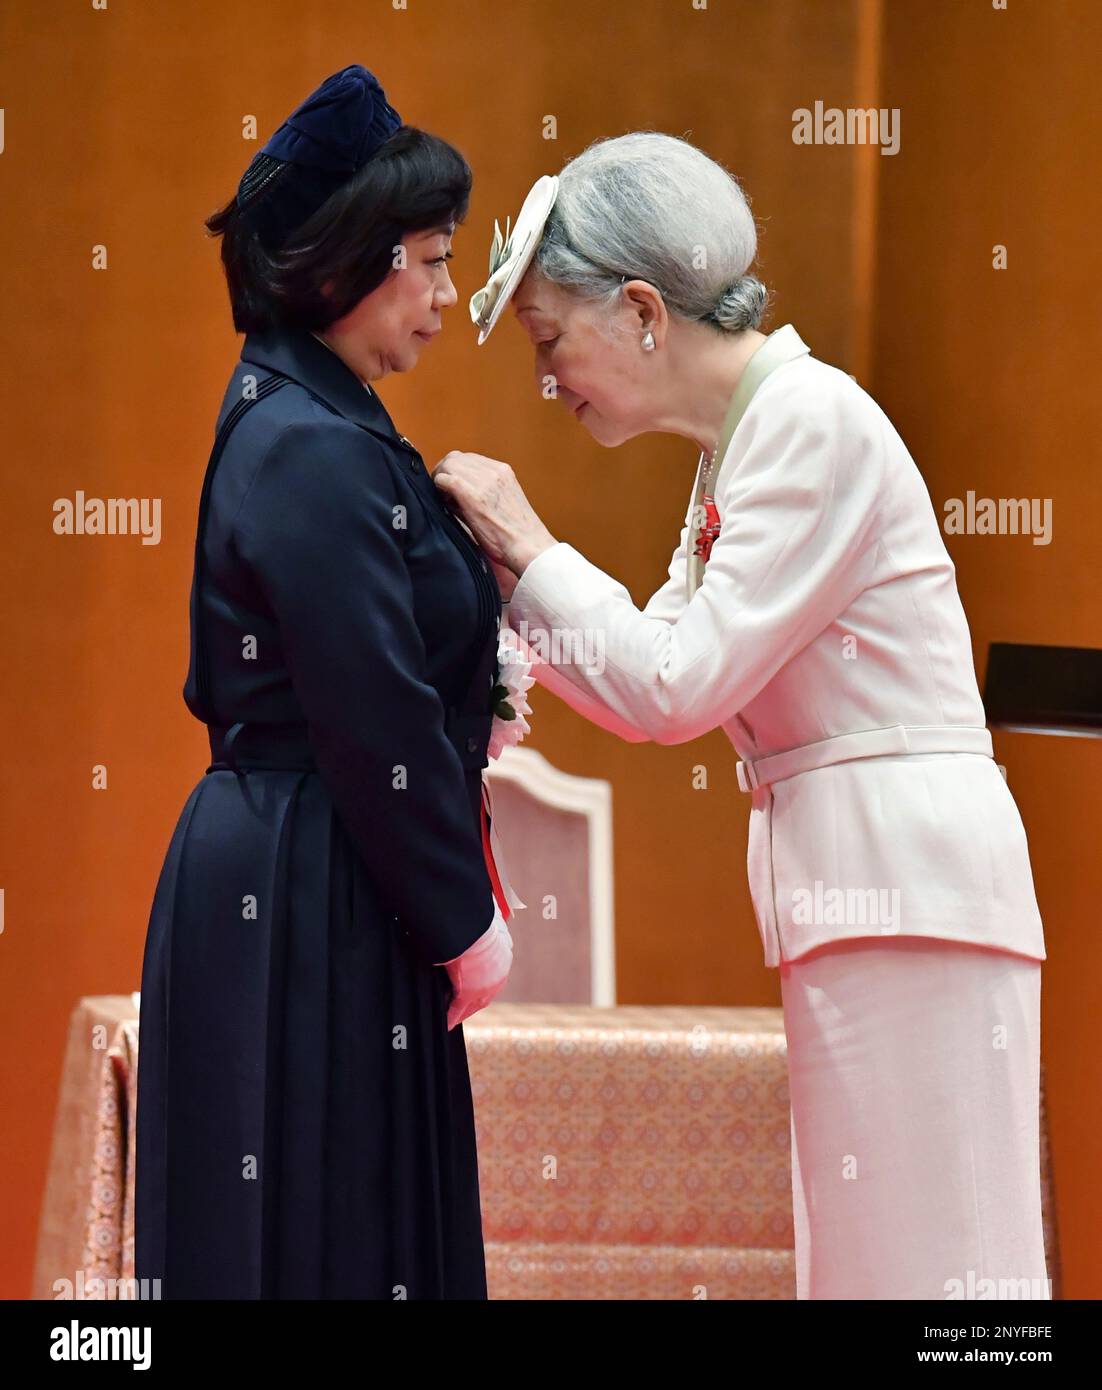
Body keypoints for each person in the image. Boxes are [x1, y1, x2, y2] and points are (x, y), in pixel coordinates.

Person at [434, 131, 1052, 1300]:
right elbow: (648, 676)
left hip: (905, 886)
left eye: (552, 339)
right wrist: (497, 590)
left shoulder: (811, 423)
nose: (547, 380)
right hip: (865, 889)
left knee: (937, 1271)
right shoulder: (749, 440)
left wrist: (526, 545)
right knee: (875, 1265)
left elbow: (673, 686)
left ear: (641, 310)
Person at [135, 64, 512, 1300]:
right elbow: (374, 715)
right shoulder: (308, 437)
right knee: (320, 1239)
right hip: (311, 877)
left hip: (323, 862)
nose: (450, 298)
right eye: (434, 259)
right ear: (352, 258)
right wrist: (466, 919)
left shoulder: (320, 413)